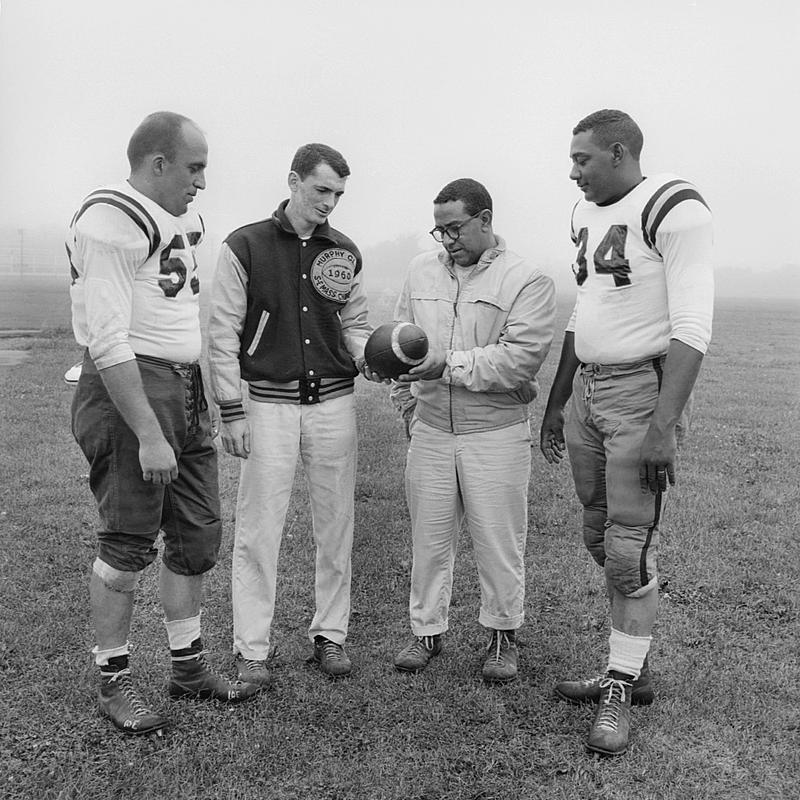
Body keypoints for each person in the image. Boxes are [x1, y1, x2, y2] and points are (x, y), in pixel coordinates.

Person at [67, 111, 260, 736]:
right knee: (127, 541)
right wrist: (149, 433)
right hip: (131, 390)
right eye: (194, 167)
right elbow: (106, 339)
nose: (202, 182)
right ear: (157, 163)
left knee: (197, 535)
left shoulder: (178, 217)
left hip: (183, 384)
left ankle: (187, 667)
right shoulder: (110, 220)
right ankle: (113, 679)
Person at [539, 109, 714, 756]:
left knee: (628, 547)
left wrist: (664, 424)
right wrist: (558, 399)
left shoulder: (672, 205)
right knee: (599, 532)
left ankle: (620, 682)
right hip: (591, 390)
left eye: (582, 158)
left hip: (642, 390)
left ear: (619, 152)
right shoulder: (583, 214)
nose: (573, 171)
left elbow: (692, 324)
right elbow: (586, 310)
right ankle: (630, 665)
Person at [207, 143, 372, 683]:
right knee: (259, 528)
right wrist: (230, 410)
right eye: (322, 190)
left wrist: (371, 355)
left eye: (339, 194)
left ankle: (330, 636)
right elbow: (222, 332)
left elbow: (354, 325)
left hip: (334, 402)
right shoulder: (245, 245)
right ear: (294, 181)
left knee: (336, 525)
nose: (330, 202)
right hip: (268, 405)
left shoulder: (344, 250)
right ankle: (252, 648)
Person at [389, 178, 556, 683]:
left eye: (455, 228)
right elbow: (400, 342)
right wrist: (408, 408)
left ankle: (503, 636)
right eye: (439, 230)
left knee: (498, 542)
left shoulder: (528, 279)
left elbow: (518, 361)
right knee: (429, 540)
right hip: (431, 431)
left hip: (496, 433)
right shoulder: (420, 270)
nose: (447, 240)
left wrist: (447, 364)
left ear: (485, 219)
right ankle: (426, 632)